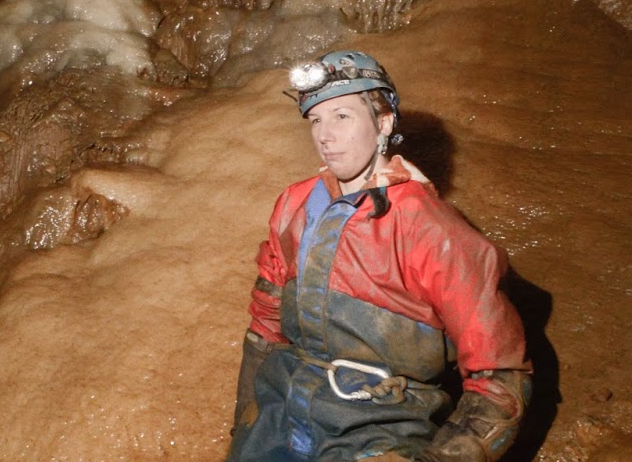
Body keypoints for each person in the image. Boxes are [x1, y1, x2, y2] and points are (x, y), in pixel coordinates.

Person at [227, 51, 531, 462]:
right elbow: (265, 324)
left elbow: (500, 376)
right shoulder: (296, 204)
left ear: (383, 122)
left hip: (375, 428)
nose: (324, 135)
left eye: (342, 116)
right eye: (316, 119)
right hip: (279, 413)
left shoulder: (432, 230)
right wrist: (245, 423)